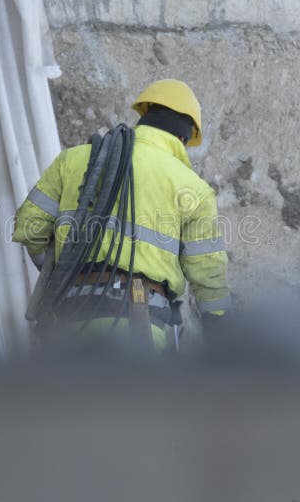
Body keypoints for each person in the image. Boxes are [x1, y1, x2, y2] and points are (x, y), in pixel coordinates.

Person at [12, 79, 230, 350]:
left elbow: (29, 228)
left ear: (145, 117)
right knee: (134, 393)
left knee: (68, 392)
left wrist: (64, 271)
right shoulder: (193, 188)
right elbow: (208, 272)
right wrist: (218, 327)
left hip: (71, 312)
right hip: (142, 318)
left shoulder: (74, 159)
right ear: (183, 138)